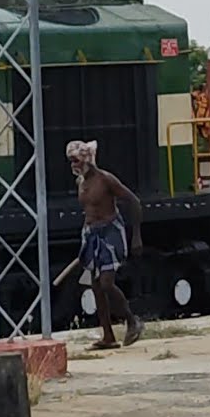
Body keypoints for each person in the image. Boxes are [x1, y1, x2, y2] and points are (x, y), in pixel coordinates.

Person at [67, 140, 145, 349]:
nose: (73, 165)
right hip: (91, 235)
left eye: (75, 160)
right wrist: (86, 237)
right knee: (95, 286)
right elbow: (89, 211)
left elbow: (134, 202)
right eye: (70, 161)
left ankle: (132, 320)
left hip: (111, 232)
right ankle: (108, 336)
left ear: (86, 160)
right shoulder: (81, 183)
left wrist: (136, 236)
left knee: (106, 283)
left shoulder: (106, 179)